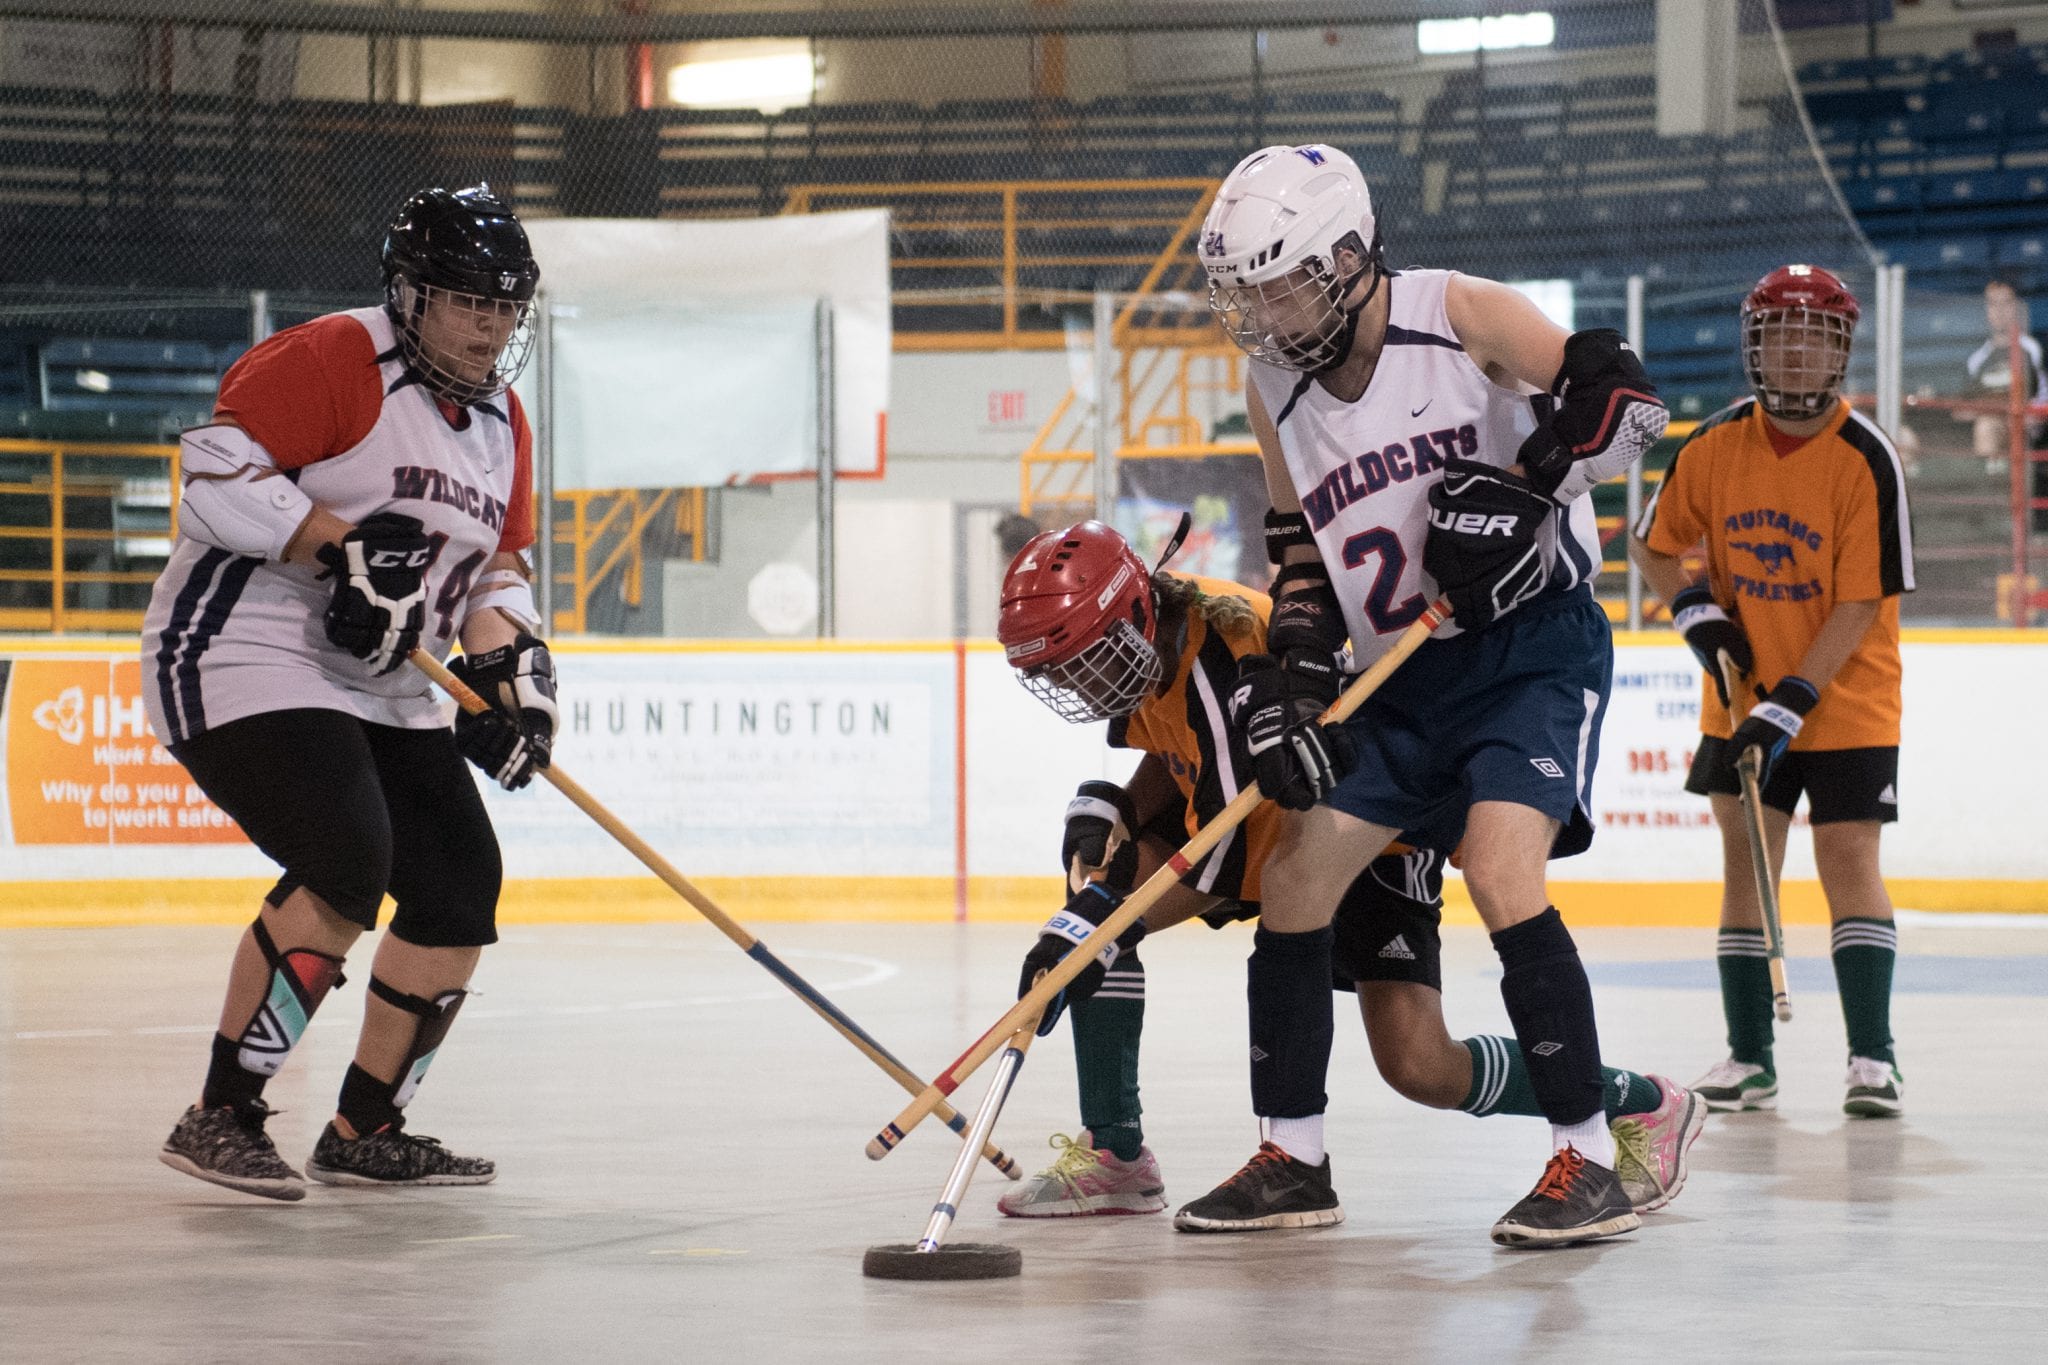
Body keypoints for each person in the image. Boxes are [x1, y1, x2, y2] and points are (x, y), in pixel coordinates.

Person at [1183, 143, 1672, 1247]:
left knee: (1500, 868)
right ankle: (1292, 1156)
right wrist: (1292, 687)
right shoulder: (1273, 382)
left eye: (1280, 280)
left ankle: (1589, 1153)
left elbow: (1622, 398)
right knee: (1295, 872)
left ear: (1348, 257)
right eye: (1243, 289)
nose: (1260, 310)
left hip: (1526, 651)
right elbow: (1296, 551)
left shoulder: (1456, 312)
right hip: (1395, 681)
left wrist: (1524, 486)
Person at [994, 519, 1698, 1232]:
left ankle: (1638, 1101)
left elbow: (1224, 859)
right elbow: (1180, 760)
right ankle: (1118, 1150)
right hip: (1281, 825)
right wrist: (1113, 807)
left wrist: (1098, 924)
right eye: (1060, 668)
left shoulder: (1224, 655)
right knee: (1094, 905)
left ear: (1136, 612)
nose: (1073, 681)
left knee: (1420, 1065)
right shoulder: (1150, 649)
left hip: (1374, 829)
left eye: (1087, 659)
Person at [150, 184, 558, 1200]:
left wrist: (511, 675)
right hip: (245, 650)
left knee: (459, 885)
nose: (488, 326)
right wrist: (337, 548)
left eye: (505, 307)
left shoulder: (503, 419)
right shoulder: (338, 354)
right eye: (467, 301)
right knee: (344, 860)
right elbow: (212, 475)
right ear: (411, 294)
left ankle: (366, 1127)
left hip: (385, 683)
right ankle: (220, 1116)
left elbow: (493, 571)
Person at [1630, 263, 1915, 1118]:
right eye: (1780, 335)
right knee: (1746, 865)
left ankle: (1874, 1059)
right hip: (1738, 697)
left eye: (1814, 337)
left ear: (1840, 352)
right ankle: (1750, 1056)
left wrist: (1786, 705)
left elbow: (1862, 600)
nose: (1796, 352)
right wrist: (1699, 618)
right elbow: (1652, 547)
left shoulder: (1866, 458)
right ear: (1755, 346)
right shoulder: (1714, 444)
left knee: (1848, 860)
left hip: (1846, 698)